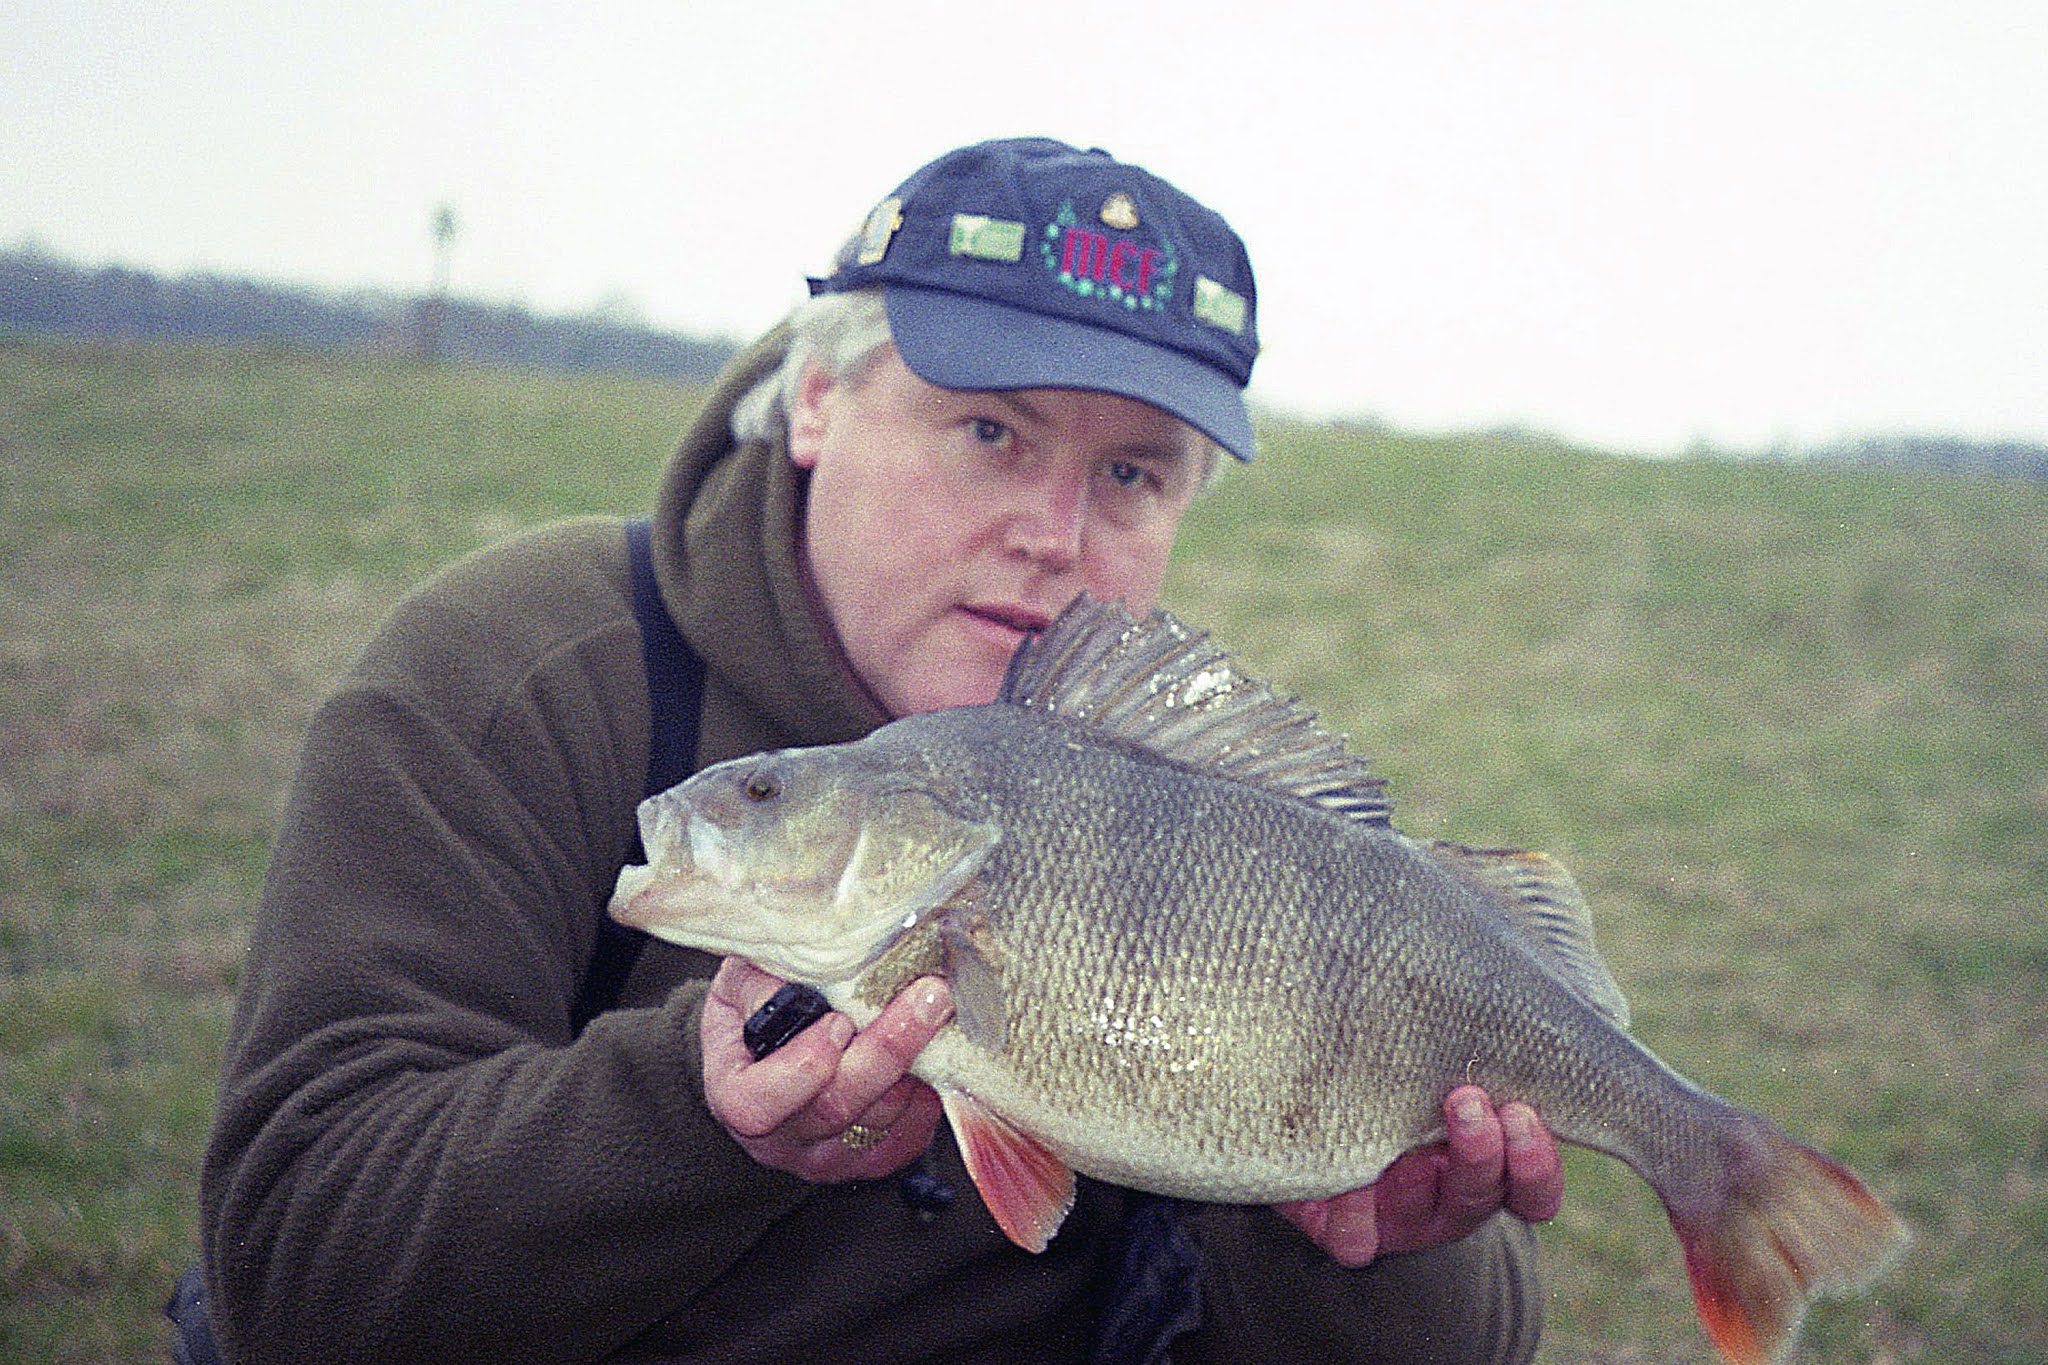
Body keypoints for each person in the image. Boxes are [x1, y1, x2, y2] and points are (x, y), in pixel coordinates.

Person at [199, 137, 1564, 1364]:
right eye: (989, 431)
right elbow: (298, 1275)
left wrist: (1365, 1238)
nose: (1053, 531)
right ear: (813, 398)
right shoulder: (517, 676)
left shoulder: (1200, 799)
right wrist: (697, 1109)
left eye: (1132, 475)